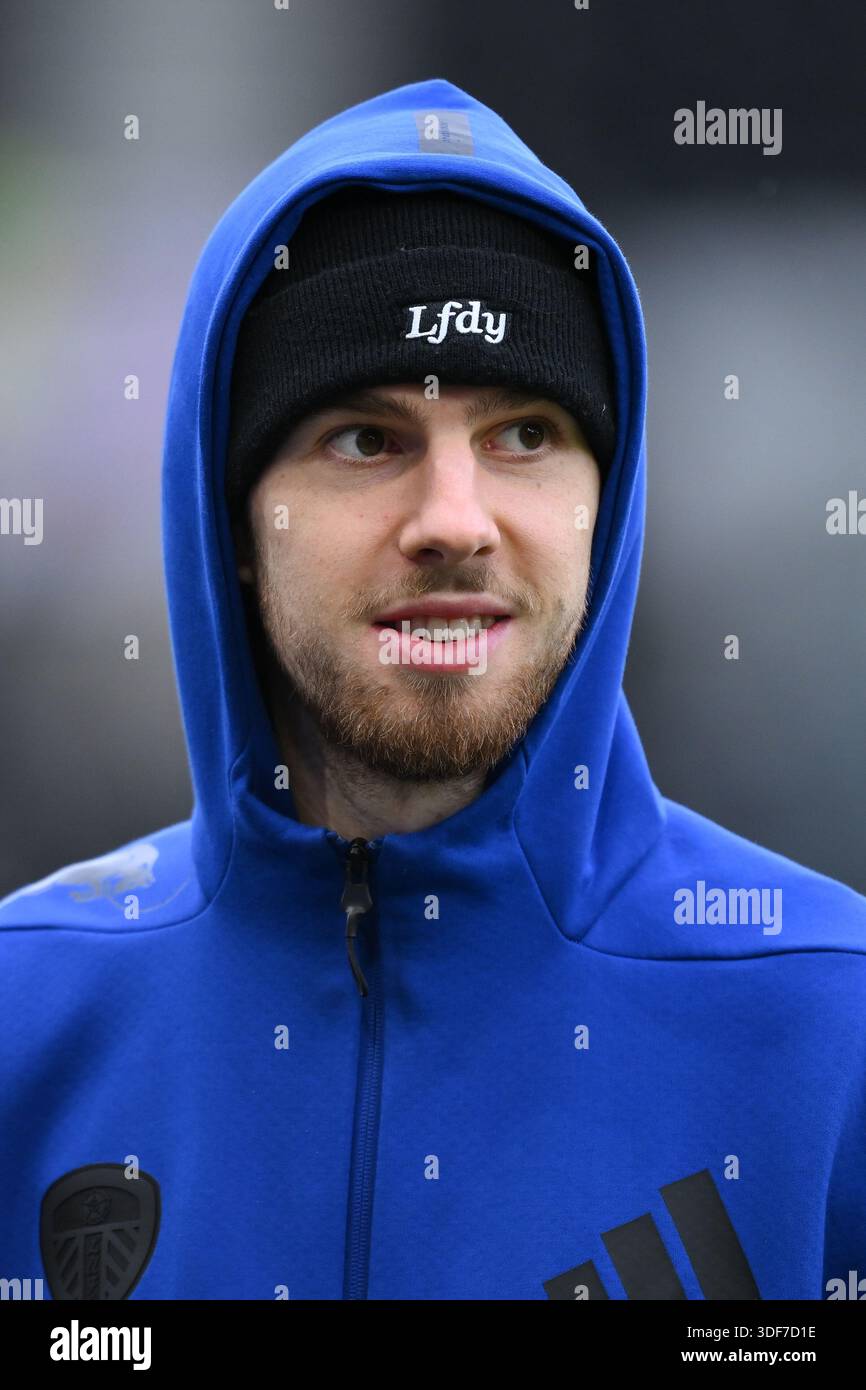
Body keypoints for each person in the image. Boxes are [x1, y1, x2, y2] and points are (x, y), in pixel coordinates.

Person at [1, 77, 864, 1303]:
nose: (454, 522)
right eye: (366, 439)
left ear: (602, 506)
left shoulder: (827, 1025)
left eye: (522, 434)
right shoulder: (27, 1017)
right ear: (234, 521)